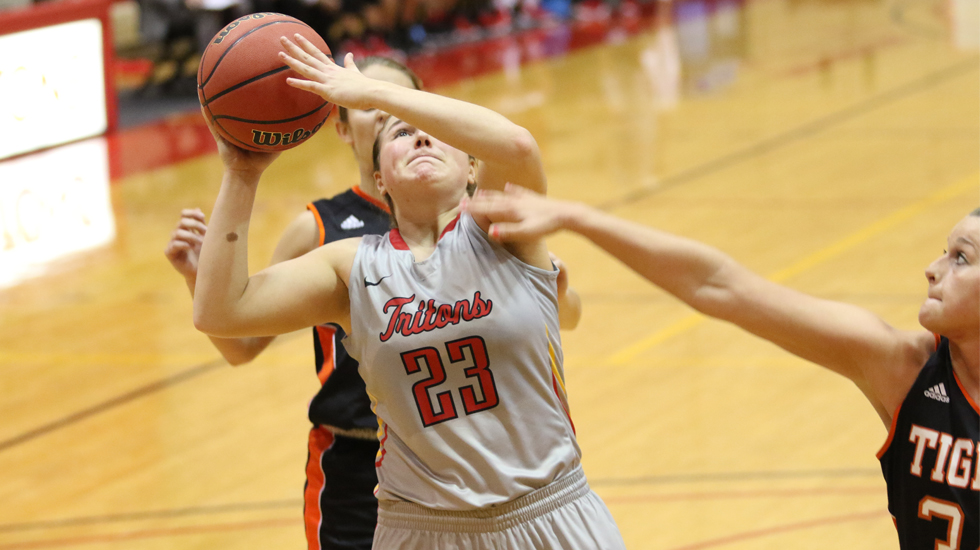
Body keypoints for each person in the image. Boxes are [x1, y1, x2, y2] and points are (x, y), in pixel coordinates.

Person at [188, 36, 610, 549]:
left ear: (474, 168)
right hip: (419, 529)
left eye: (434, 132)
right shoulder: (350, 267)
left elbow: (517, 145)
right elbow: (221, 313)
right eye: (400, 135)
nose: (421, 138)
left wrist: (376, 96)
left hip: (547, 512)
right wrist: (241, 172)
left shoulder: (506, 230)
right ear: (380, 179)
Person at [463, 185, 980, 550]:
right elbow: (720, 286)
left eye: (962, 258)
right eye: (944, 251)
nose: (932, 268)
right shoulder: (907, 370)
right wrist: (579, 217)